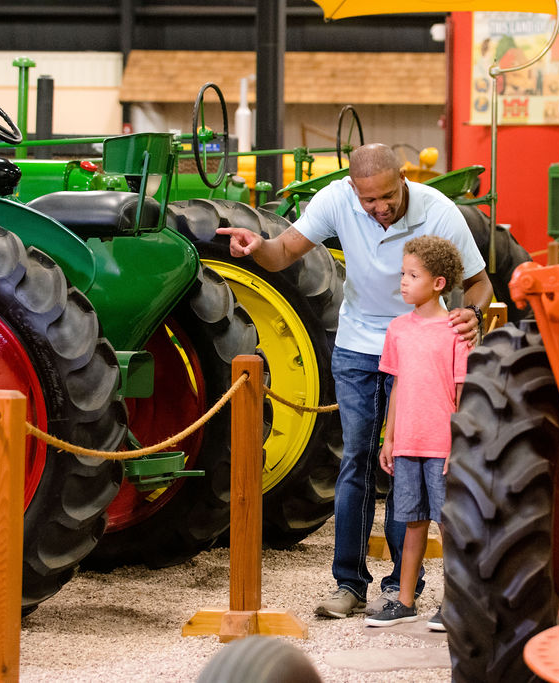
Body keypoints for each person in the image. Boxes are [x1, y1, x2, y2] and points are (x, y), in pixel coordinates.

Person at [217, 143, 492, 619]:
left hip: (421, 348)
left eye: (387, 196)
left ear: (403, 179)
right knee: (356, 461)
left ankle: (402, 589)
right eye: (369, 200)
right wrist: (259, 247)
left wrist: (473, 313)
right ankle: (349, 583)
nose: (379, 207)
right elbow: (283, 253)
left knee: (410, 463)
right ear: (352, 190)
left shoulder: (439, 211)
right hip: (358, 346)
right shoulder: (335, 199)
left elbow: (481, 283)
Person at [364, 235, 469, 631]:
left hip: (443, 446)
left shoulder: (456, 331)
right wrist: (389, 439)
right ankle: (405, 601)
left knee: (450, 526)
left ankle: (454, 605)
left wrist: (458, 446)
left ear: (438, 283)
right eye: (402, 274)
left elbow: (461, 393)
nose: (403, 282)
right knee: (412, 523)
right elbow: (397, 388)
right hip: (406, 444)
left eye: (412, 275)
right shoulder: (397, 330)